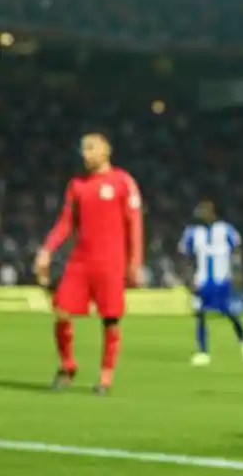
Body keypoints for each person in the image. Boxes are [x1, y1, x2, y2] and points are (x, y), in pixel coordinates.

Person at [33, 133, 144, 395]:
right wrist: (47, 250)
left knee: (111, 320)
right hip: (81, 262)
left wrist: (135, 262)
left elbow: (135, 225)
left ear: (106, 150)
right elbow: (66, 223)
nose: (85, 153)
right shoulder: (77, 185)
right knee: (61, 310)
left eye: (91, 148)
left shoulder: (123, 182)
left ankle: (106, 377)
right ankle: (68, 366)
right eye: (83, 149)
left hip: (111, 263)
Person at [180, 199, 243, 366]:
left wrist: (238, 273)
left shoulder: (226, 230)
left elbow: (238, 252)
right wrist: (188, 279)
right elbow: (186, 258)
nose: (201, 214)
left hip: (222, 280)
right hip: (201, 280)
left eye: (204, 210)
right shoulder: (192, 233)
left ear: (213, 213)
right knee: (200, 314)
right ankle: (203, 352)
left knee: (230, 313)